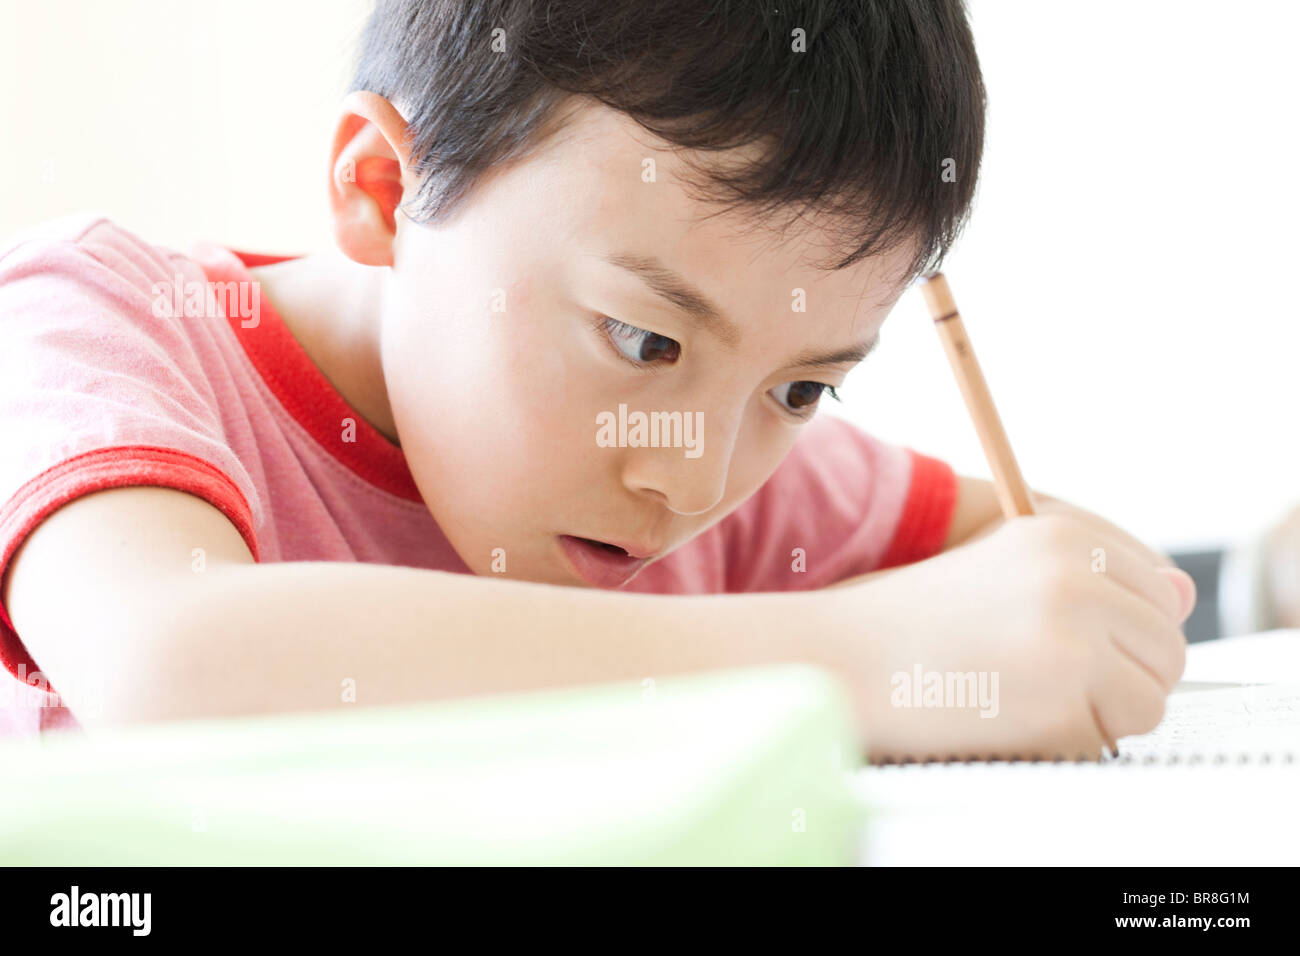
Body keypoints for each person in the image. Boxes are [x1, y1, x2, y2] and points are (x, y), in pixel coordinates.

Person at [0, 0, 1195, 761]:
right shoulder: (98, 320)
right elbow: (170, 663)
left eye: (802, 389)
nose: (693, 482)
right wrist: (857, 657)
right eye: (645, 341)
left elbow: (1059, 573)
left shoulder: (733, 464)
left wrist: (1061, 612)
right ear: (381, 189)